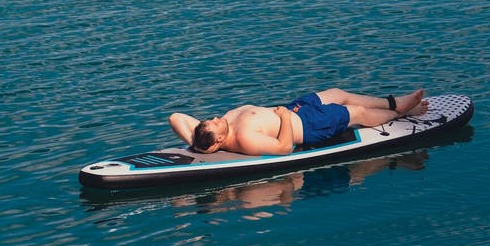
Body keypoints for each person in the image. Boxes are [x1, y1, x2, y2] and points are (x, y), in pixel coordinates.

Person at [169, 87, 429, 157]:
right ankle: (402, 113)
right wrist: (283, 118)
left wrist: (196, 143)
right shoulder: (244, 138)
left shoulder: (212, 132)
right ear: (221, 141)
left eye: (212, 119)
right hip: (306, 126)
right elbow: (284, 148)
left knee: (338, 93)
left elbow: (175, 117)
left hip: (296, 108)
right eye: (216, 124)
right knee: (356, 112)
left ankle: (394, 102)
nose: (217, 118)